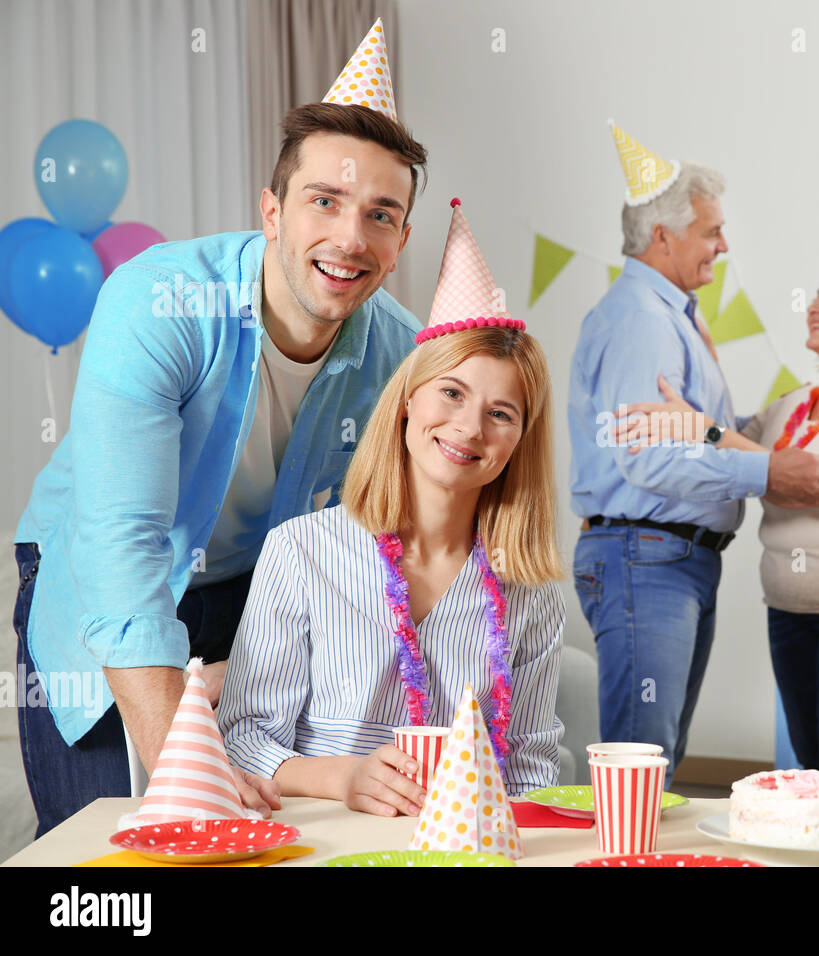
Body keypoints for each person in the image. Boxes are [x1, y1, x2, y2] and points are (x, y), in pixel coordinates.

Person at [13, 22, 427, 836]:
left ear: (403, 240)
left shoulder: (403, 356)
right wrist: (184, 767)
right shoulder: (156, 302)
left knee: (278, 835)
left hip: (255, 595)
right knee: (121, 837)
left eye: (381, 214)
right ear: (270, 211)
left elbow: (381, 541)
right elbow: (120, 541)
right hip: (104, 567)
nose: (350, 238)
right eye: (325, 202)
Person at [220, 199, 565, 814]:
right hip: (322, 842)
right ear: (405, 402)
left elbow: (531, 763)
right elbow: (244, 739)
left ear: (517, 443)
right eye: (451, 393)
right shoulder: (302, 551)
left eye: (500, 414)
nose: (468, 427)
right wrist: (343, 780)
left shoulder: (526, 586)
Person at [568, 122, 819, 785]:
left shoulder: (671, 318)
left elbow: (696, 430)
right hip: (646, 555)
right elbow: (649, 460)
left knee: (658, 757)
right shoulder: (643, 323)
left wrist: (788, 418)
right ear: (664, 237)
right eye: (711, 232)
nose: (724, 245)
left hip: (668, 558)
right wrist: (765, 471)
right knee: (640, 760)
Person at [617, 227, 819, 770]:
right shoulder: (794, 405)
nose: (813, 306)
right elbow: (740, 449)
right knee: (812, 763)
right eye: (817, 295)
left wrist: (702, 429)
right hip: (788, 609)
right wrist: (701, 358)